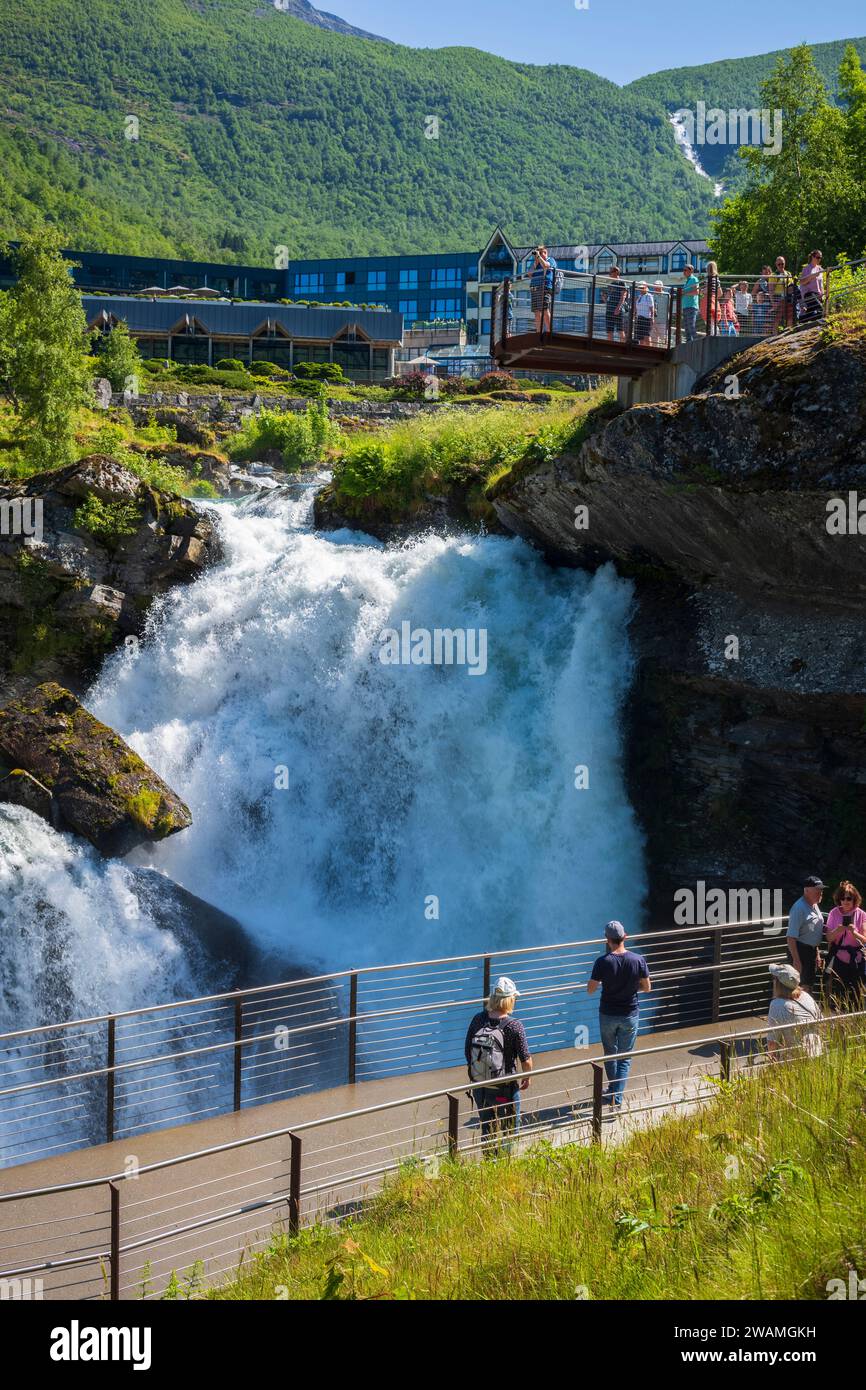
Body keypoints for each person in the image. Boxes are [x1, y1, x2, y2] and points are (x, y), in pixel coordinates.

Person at [464, 976, 532, 1152]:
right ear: (510, 999)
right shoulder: (514, 1025)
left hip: (481, 1089)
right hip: (505, 1091)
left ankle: (489, 1166)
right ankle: (506, 1165)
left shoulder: (478, 1019)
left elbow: (467, 1052)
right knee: (510, 1131)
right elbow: (526, 1060)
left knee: (487, 1131)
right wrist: (526, 1077)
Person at [587, 921, 651, 1108]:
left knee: (609, 1054)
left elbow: (590, 989)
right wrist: (631, 987)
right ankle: (617, 1097)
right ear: (625, 937)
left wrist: (604, 982)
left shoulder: (602, 962)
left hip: (607, 1014)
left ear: (607, 940)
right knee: (625, 1057)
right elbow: (647, 987)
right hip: (630, 1014)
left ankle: (613, 1092)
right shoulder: (638, 960)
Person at [766, 963, 823, 1061]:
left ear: (778, 983)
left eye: (774, 979)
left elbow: (772, 1041)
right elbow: (820, 1020)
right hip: (817, 1053)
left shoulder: (777, 1005)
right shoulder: (806, 996)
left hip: (796, 1059)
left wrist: (772, 1060)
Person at [824, 881, 866, 1004]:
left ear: (854, 899)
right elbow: (829, 938)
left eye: (849, 898)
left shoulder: (862, 914)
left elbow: (864, 939)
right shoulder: (834, 913)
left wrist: (854, 933)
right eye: (842, 898)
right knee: (839, 993)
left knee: (858, 993)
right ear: (839, 899)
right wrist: (838, 930)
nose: (845, 901)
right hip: (839, 959)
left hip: (857, 959)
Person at [786, 875, 826, 991]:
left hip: (811, 951)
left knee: (808, 984)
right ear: (806, 890)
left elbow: (813, 930)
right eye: (817, 890)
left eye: (821, 889)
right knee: (800, 987)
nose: (820, 892)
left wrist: (817, 952)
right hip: (801, 951)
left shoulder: (814, 904)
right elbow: (791, 937)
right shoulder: (799, 908)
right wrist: (796, 960)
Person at [528, 245, 558, 335]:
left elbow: (546, 265)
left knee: (545, 309)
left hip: (545, 287)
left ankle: (549, 331)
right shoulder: (536, 263)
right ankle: (538, 333)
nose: (542, 255)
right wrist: (535, 262)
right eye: (540, 253)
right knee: (536, 311)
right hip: (535, 287)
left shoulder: (550, 260)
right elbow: (529, 274)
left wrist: (539, 258)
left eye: (544, 252)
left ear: (546, 253)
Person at [602, 265, 628, 342]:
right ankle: (610, 348)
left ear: (616, 272)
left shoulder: (621, 283)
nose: (609, 274)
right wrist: (604, 297)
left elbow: (623, 296)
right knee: (609, 331)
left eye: (611, 272)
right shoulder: (611, 283)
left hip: (618, 310)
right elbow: (607, 298)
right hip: (609, 310)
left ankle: (622, 348)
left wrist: (618, 308)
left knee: (620, 330)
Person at [799, 250, 825, 323]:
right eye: (818, 257)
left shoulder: (820, 269)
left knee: (815, 313)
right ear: (813, 257)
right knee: (821, 310)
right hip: (808, 294)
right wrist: (812, 276)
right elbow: (802, 282)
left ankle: (802, 320)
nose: (819, 259)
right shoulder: (806, 269)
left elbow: (821, 283)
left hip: (818, 295)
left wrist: (822, 294)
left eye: (820, 258)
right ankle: (802, 319)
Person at [769, 255, 794, 330]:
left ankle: (788, 334)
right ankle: (774, 336)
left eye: (782, 264)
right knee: (777, 318)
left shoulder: (788, 274)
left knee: (790, 317)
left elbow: (791, 286)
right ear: (776, 264)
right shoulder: (773, 275)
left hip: (788, 298)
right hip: (778, 297)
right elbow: (771, 290)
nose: (781, 266)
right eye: (779, 264)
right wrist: (773, 302)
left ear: (785, 263)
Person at [680, 263, 700, 342]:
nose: (683, 272)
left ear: (691, 271)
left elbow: (697, 292)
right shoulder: (686, 281)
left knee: (691, 326)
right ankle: (689, 343)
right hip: (685, 307)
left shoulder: (694, 279)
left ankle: (697, 342)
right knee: (687, 328)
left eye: (685, 270)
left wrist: (684, 293)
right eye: (683, 270)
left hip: (692, 306)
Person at [700, 261, 721, 334]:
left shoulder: (709, 279)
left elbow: (707, 289)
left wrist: (702, 291)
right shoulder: (717, 280)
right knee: (713, 321)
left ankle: (712, 335)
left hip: (708, 300)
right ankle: (715, 334)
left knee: (709, 320)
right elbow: (720, 293)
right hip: (714, 299)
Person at [634, 281, 655, 345]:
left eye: (642, 288)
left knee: (647, 336)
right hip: (639, 318)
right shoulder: (639, 296)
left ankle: (649, 350)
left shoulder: (649, 296)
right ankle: (642, 350)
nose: (641, 289)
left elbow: (652, 308)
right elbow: (636, 307)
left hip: (646, 318)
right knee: (640, 337)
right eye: (640, 288)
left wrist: (652, 317)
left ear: (646, 287)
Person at [651, 279, 669, 346]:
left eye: (656, 286)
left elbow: (669, 308)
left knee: (664, 339)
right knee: (654, 341)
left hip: (663, 321)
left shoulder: (667, 296)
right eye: (654, 286)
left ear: (661, 287)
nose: (655, 288)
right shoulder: (652, 296)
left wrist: (668, 320)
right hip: (653, 321)